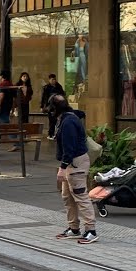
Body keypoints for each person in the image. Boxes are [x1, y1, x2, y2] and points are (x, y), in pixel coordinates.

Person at [51, 95, 97, 244]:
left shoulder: (68, 122)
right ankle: (74, 228)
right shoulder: (68, 117)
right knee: (67, 196)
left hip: (75, 164)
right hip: (73, 163)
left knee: (80, 196)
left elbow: (69, 148)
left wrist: (62, 168)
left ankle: (91, 230)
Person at [40, 74, 65, 140]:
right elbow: (43, 97)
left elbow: (63, 95)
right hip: (50, 106)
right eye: (52, 79)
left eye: (54, 79)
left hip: (58, 106)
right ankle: (51, 134)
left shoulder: (59, 86)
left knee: (58, 120)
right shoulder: (46, 87)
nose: (53, 81)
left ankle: (56, 134)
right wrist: (42, 106)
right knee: (51, 120)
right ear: (49, 80)